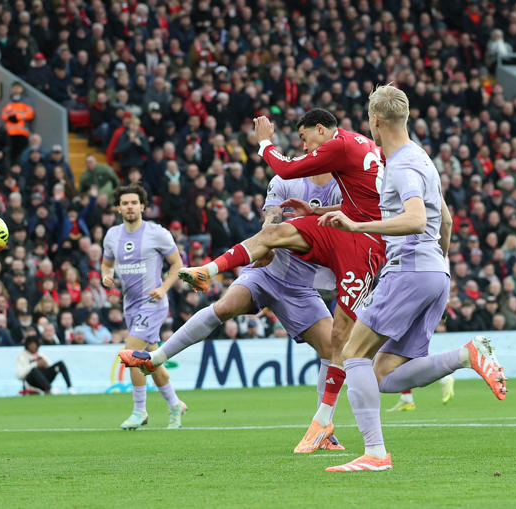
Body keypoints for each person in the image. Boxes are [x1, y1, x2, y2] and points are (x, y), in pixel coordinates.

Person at [297, 85, 507, 472]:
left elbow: (416, 219)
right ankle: (466, 355)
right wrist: (438, 262)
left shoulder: (402, 165)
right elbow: (445, 219)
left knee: (351, 354)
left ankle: (375, 453)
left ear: (376, 121)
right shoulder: (422, 159)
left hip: (408, 269)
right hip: (432, 273)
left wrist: (358, 228)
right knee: (384, 375)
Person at [176, 109, 386, 434]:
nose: (304, 146)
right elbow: (355, 205)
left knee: (352, 348)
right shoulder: (360, 146)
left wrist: (264, 144)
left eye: (305, 138)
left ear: (321, 129)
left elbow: (286, 167)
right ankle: (208, 269)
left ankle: (337, 426)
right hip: (346, 233)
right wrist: (317, 211)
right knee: (272, 236)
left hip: (363, 243)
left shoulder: (338, 147)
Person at [120, 173, 347, 450]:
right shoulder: (286, 178)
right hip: (265, 272)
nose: (306, 147)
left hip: (301, 287)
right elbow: (272, 218)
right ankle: (156, 358)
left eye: (308, 140)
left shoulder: (343, 184)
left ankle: (323, 429)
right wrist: (267, 241)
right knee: (224, 306)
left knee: (333, 350)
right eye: (302, 140)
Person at [101, 184, 188, 430]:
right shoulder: (112, 236)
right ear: (118, 208)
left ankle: (140, 411)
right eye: (124, 203)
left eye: (134, 203)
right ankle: (175, 404)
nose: (129, 207)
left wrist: (163, 288)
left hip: (153, 303)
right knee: (152, 360)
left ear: (142, 206)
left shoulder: (157, 233)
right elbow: (106, 264)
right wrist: (106, 275)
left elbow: (177, 265)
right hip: (130, 306)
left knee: (132, 353)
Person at [1, 82, 34, 159]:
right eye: (14, 88)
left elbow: (30, 113)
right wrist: (9, 117)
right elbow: (3, 115)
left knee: (21, 154)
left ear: (22, 89)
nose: (16, 89)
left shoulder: (26, 101)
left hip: (22, 133)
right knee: (11, 155)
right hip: (9, 133)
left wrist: (18, 117)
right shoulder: (8, 102)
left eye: (18, 87)